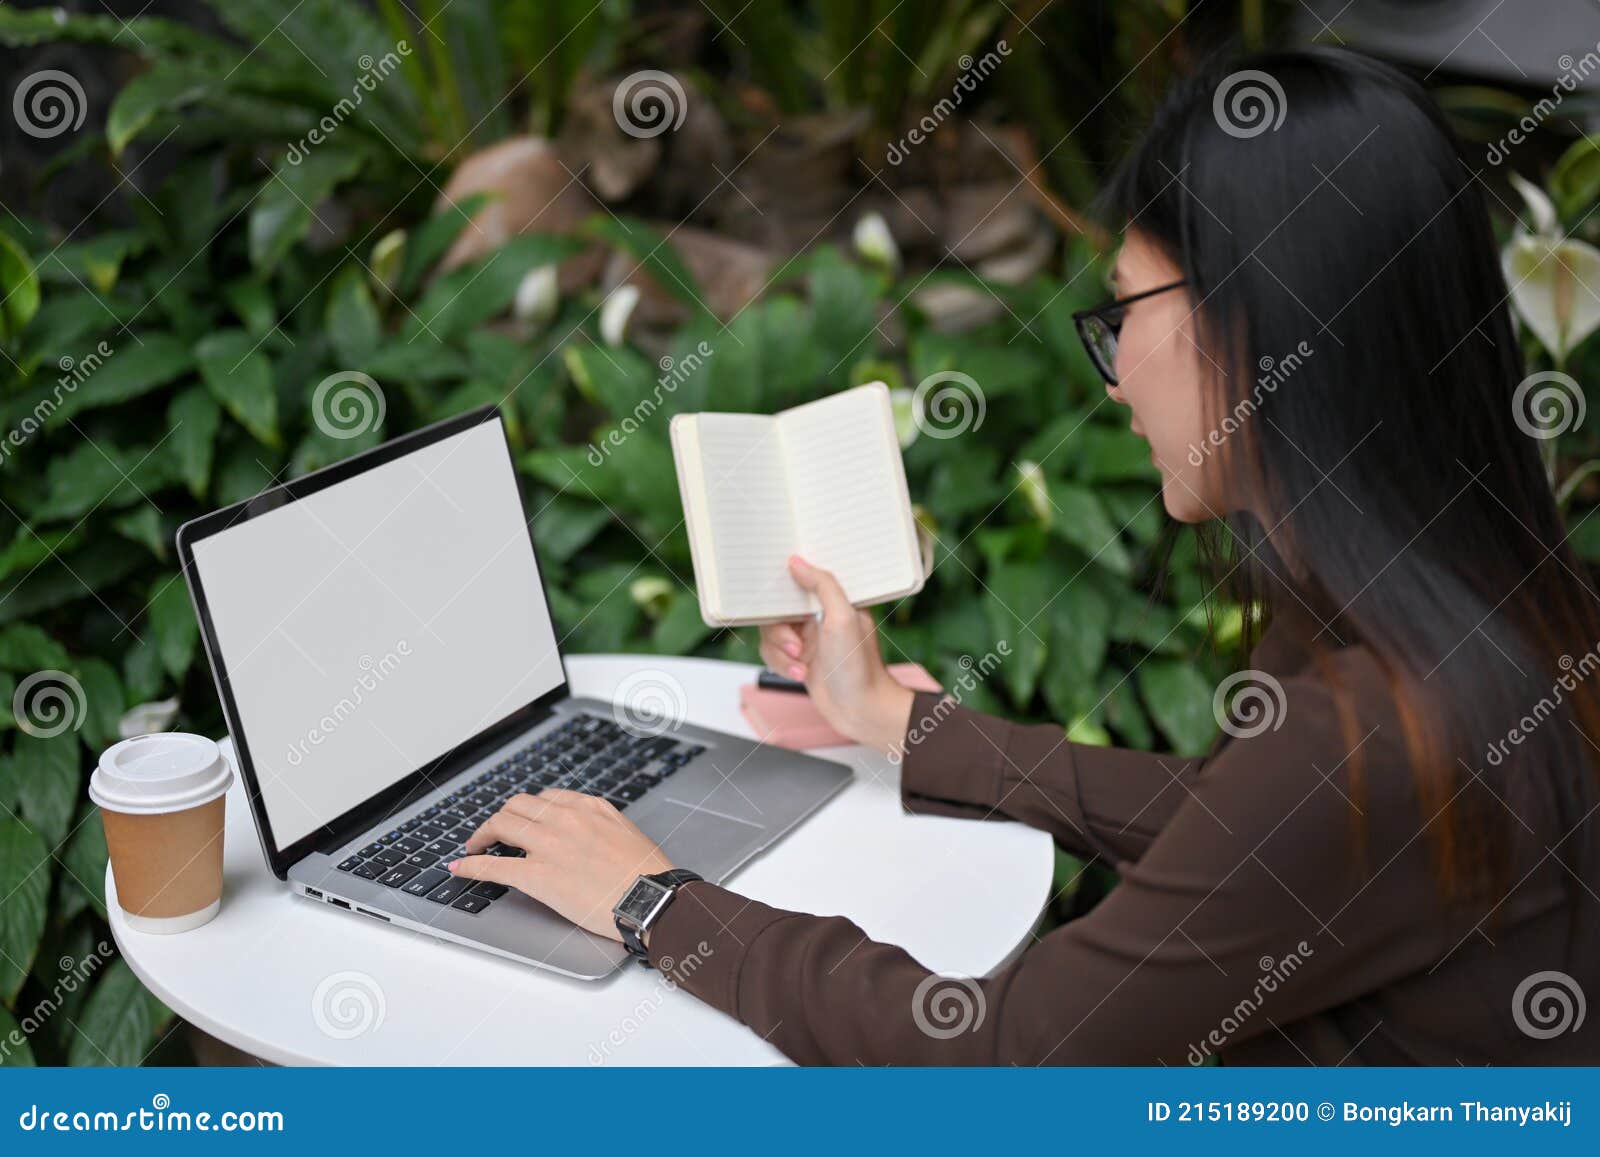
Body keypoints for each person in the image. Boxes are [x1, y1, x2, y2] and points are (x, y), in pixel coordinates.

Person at [445, 46, 1599, 1064]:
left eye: (1122, 311)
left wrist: (652, 902)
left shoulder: (1369, 729)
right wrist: (908, 728)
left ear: (1249, 324)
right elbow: (1234, 818)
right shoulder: (1500, 616)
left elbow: (1004, 1055)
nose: (1112, 375)